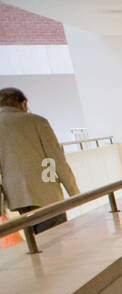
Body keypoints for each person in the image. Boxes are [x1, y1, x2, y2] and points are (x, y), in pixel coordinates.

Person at [0, 87, 79, 234]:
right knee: (55, 239)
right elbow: (57, 159)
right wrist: (74, 192)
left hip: (16, 196)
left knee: (35, 241)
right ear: (23, 103)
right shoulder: (37, 121)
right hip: (46, 192)